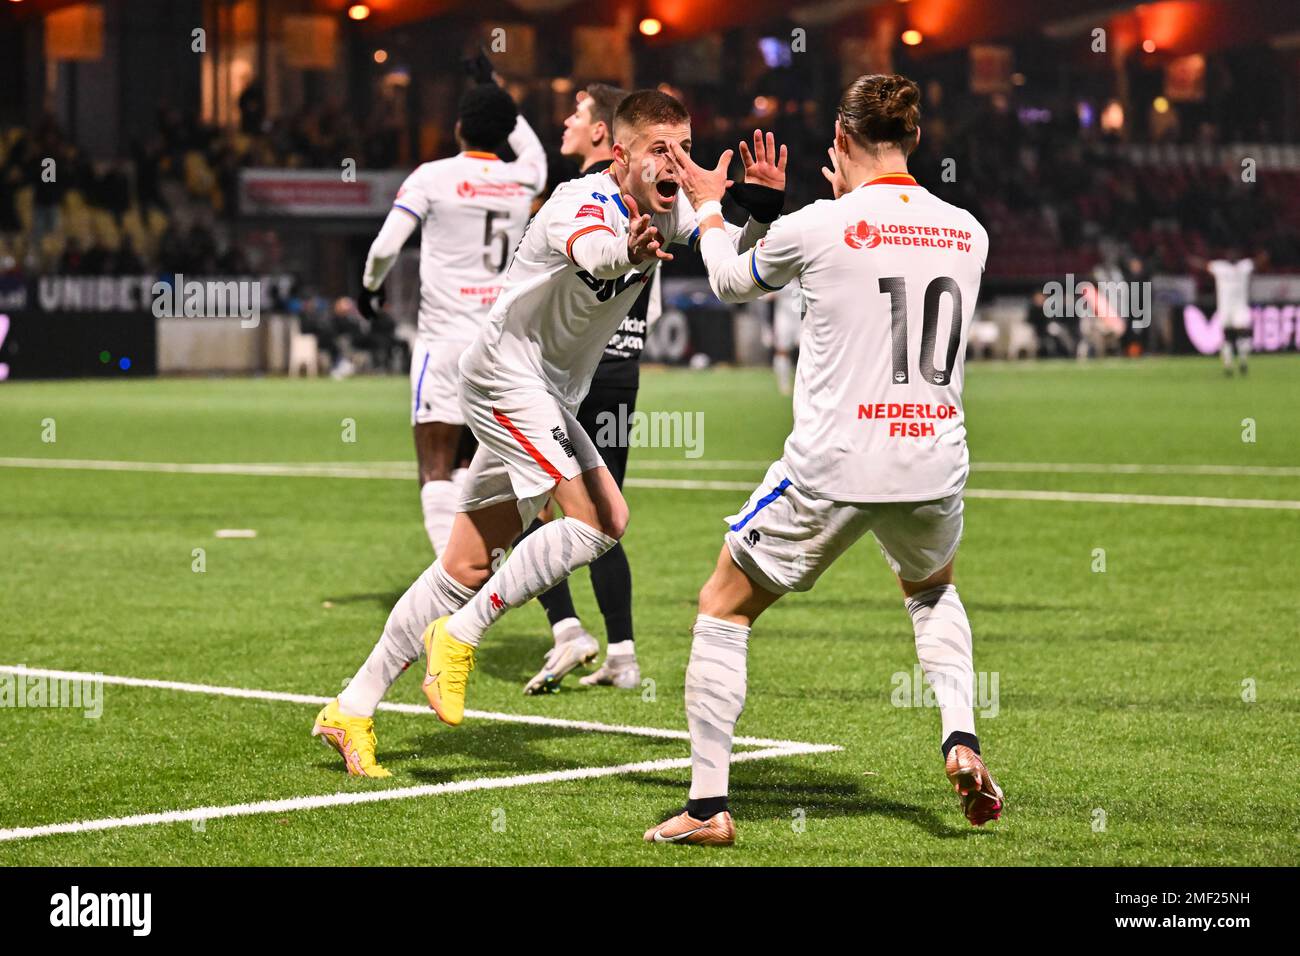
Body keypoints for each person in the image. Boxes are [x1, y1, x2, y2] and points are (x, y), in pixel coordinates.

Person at [312, 89, 785, 777]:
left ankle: (350, 708)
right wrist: (627, 252)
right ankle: (463, 635)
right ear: (620, 154)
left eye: (683, 148)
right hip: (505, 377)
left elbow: (736, 276)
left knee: (466, 565)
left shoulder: (671, 205)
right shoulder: (578, 202)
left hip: (547, 392)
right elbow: (594, 254)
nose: (675, 162)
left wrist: (754, 209)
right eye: (660, 149)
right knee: (597, 523)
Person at [643, 73, 1001, 846]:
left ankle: (707, 809)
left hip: (836, 466)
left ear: (838, 141)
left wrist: (712, 204)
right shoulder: (968, 231)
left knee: (722, 603)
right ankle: (961, 738)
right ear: (914, 140)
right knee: (931, 592)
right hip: (934, 463)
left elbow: (732, 280)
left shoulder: (822, 223)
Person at [356, 66, 546, 556]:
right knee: (471, 465)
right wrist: (500, 92)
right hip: (499, 346)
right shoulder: (522, 179)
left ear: (458, 127)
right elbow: (533, 151)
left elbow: (384, 248)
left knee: (435, 465)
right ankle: (483, 577)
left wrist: (369, 288)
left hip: (443, 342)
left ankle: (448, 580)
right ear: (505, 132)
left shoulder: (432, 176)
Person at [519, 83, 659, 695]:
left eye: (578, 114)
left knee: (530, 503)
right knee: (602, 516)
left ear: (604, 133)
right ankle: (623, 653)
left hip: (568, 373)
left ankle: (566, 629)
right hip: (622, 371)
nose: (567, 122)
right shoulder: (651, 198)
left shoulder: (577, 201)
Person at [1207, 252, 1255, 376]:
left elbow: (1259, 262)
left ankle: (1243, 362)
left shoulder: (1244, 266)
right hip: (1225, 308)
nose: (1232, 256)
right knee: (1227, 337)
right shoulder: (1220, 267)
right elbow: (1205, 266)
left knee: (1243, 333)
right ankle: (1228, 366)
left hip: (1240, 308)